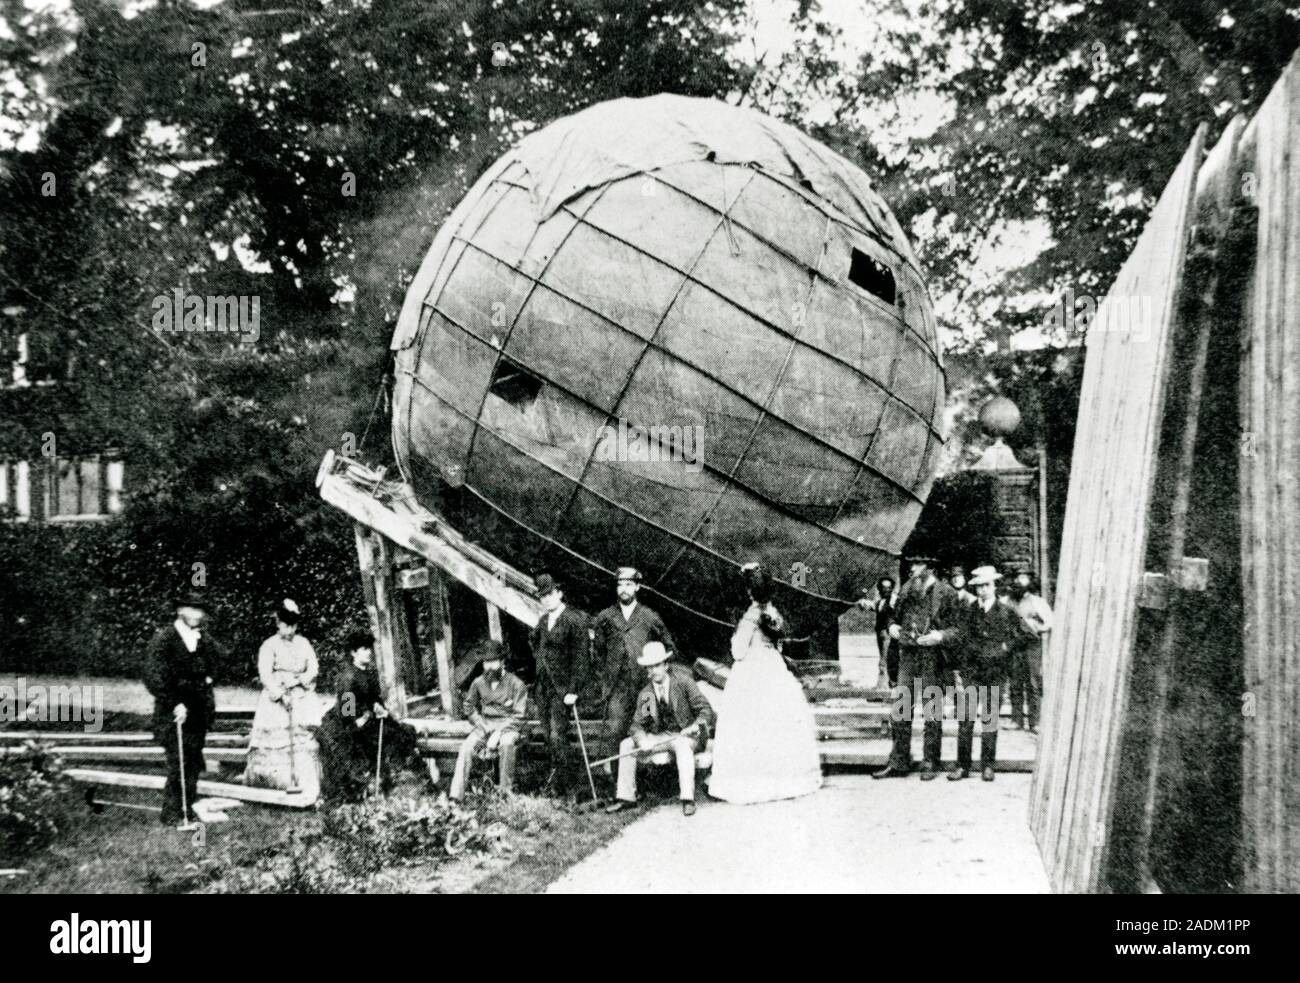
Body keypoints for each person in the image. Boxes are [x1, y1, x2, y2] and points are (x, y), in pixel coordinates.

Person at [707, 563, 823, 803]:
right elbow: (778, 640)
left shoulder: (750, 617)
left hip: (751, 670)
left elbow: (738, 651)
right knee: (777, 722)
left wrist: (734, 638)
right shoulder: (774, 612)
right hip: (773, 667)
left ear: (749, 592)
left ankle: (750, 779)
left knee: (748, 724)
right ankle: (785, 777)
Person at [873, 552, 967, 780]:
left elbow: (959, 630)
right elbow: (894, 618)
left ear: (930, 568)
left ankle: (929, 762)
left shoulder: (946, 593)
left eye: (917, 564)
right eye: (912, 564)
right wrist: (893, 627)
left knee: (931, 711)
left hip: (933, 658)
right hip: (908, 656)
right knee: (901, 709)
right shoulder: (907, 589)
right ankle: (899, 761)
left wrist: (939, 636)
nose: (912, 568)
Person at [318, 629, 430, 805]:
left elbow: (374, 700)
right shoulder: (348, 677)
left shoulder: (367, 674)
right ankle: (387, 779)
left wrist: (381, 710)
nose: (369, 652)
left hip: (367, 719)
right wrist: (367, 716)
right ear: (353, 652)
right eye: (363, 649)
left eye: (369, 648)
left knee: (404, 730)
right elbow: (347, 712)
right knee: (389, 735)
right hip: (349, 726)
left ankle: (403, 778)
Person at [604, 642, 715, 816]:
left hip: (687, 735)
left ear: (666, 665)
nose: (653, 671)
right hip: (662, 737)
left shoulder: (684, 683)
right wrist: (642, 740)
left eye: (656, 665)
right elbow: (637, 725)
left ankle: (687, 799)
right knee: (627, 745)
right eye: (649, 667)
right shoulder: (647, 694)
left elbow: (705, 710)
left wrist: (695, 726)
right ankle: (626, 798)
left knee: (681, 745)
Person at [589, 566, 678, 776]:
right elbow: (598, 653)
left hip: (644, 687)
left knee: (647, 728)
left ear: (637, 587)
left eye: (629, 584)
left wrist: (660, 676)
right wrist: (605, 682)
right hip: (617, 689)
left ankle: (648, 781)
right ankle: (619, 790)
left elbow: (669, 646)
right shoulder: (606, 617)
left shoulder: (648, 616)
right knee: (615, 732)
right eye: (620, 585)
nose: (624, 589)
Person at [142, 592, 218, 826]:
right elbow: (153, 676)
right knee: (179, 762)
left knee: (194, 761)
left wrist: (209, 678)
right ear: (180, 610)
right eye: (191, 609)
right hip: (173, 713)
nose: (196, 614)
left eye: (200, 610)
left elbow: (220, 661)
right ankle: (172, 813)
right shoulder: (164, 639)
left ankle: (188, 807)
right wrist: (174, 702)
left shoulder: (203, 639)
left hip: (198, 712)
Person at [244, 598, 321, 798]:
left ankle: (308, 779)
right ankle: (276, 780)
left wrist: (300, 681)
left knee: (305, 737)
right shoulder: (269, 645)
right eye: (286, 626)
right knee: (279, 739)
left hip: (301, 693)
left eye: (293, 626)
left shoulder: (303, 643)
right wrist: (279, 695)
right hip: (278, 697)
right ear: (278, 624)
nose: (290, 630)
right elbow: (265, 675)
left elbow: (313, 667)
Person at [951, 566, 1022, 781]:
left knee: (990, 720)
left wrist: (1004, 648)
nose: (983, 590)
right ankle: (962, 766)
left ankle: (987, 766)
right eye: (979, 586)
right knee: (965, 721)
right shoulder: (968, 610)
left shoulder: (1006, 611)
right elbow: (960, 638)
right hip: (971, 672)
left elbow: (1022, 636)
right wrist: (961, 669)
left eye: (986, 585)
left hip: (995, 673)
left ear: (994, 586)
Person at [529, 573, 589, 797]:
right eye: (542, 596)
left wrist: (573, 690)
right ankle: (557, 785)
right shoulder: (544, 621)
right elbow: (536, 643)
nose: (546, 599)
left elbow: (582, 660)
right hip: (543, 689)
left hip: (563, 691)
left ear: (560, 593)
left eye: (550, 594)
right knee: (548, 736)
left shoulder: (574, 619)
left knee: (557, 736)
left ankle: (573, 786)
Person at [450, 640, 528, 800]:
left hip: (508, 727)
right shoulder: (478, 682)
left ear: (502, 662)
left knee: (506, 744)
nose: (489, 667)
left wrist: (499, 733)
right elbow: (469, 706)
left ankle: (505, 794)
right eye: (486, 662)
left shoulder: (516, 684)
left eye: (493, 662)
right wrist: (480, 724)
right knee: (466, 747)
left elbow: (519, 715)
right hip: (484, 725)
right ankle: (455, 797)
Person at [1008, 572, 1053, 731]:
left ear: (1029, 582)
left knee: (1033, 683)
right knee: (1015, 683)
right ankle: (1016, 720)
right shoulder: (1008, 602)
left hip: (1032, 646)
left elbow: (1050, 622)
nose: (1020, 582)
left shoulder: (1037, 601)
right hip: (1015, 646)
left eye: (1023, 578)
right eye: (1017, 578)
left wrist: (1036, 627)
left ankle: (1035, 722)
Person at [860, 577, 899, 689]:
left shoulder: (893, 600)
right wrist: (864, 602)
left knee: (885, 660)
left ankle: (884, 686)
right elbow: (874, 606)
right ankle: (888, 684)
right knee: (884, 658)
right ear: (880, 589)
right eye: (884, 588)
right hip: (880, 634)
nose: (886, 590)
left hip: (887, 635)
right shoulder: (881, 602)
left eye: (889, 588)